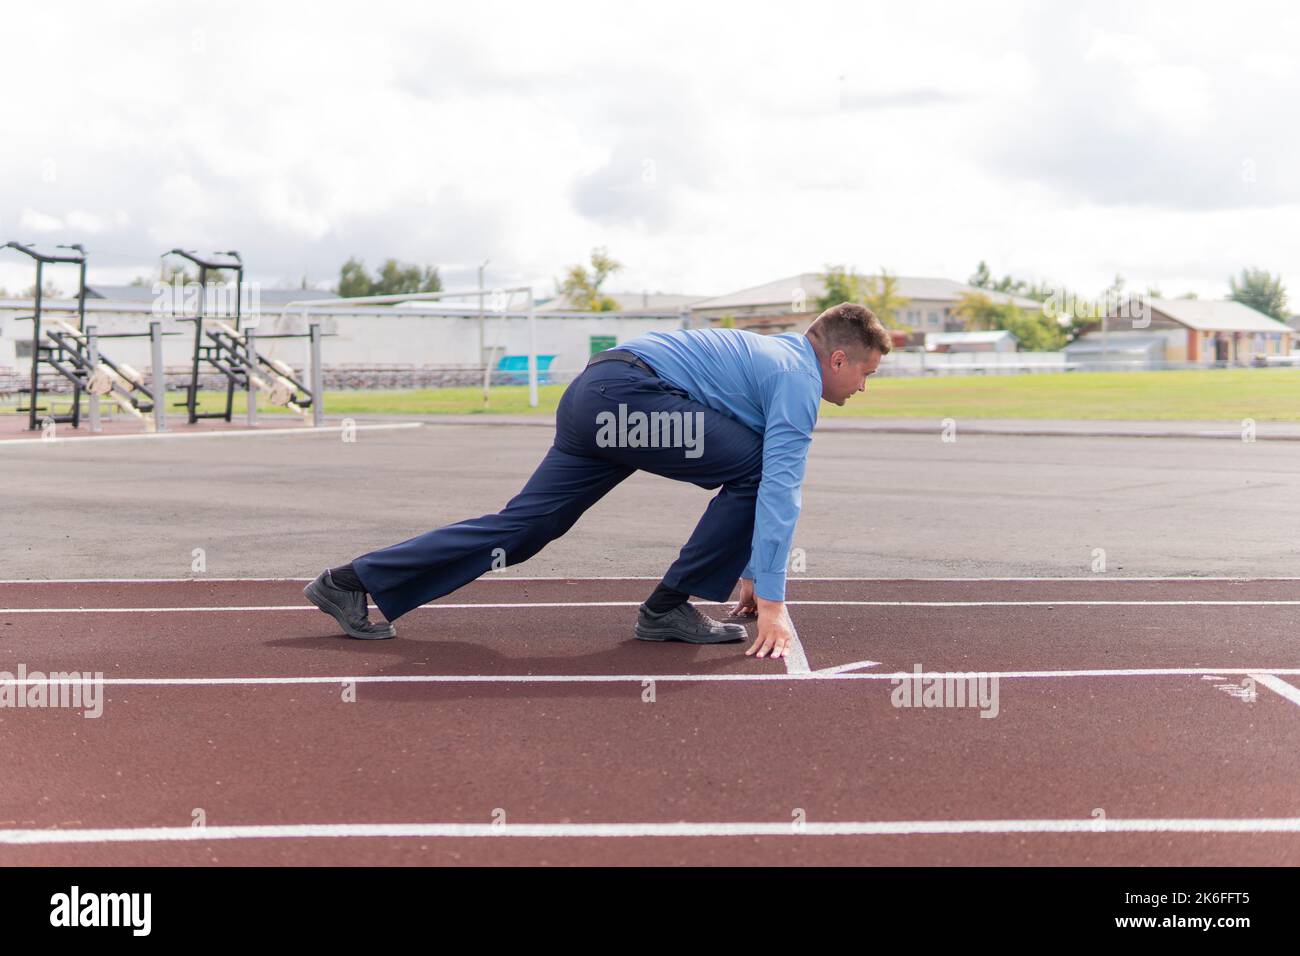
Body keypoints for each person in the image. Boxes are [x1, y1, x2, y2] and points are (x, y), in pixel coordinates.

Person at [305, 302, 889, 660]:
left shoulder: (770, 357)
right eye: (867, 371)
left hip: (596, 394)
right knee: (761, 466)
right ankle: (666, 608)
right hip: (632, 396)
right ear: (837, 360)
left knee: (527, 527)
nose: (865, 387)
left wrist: (756, 568)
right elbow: (779, 487)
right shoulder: (796, 376)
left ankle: (350, 582)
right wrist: (773, 600)